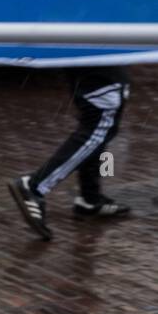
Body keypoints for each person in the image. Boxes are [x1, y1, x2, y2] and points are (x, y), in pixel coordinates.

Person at [9, 67, 133, 241]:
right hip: (100, 57)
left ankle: (90, 198)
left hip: (97, 57)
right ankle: (33, 185)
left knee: (98, 126)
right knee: (98, 128)